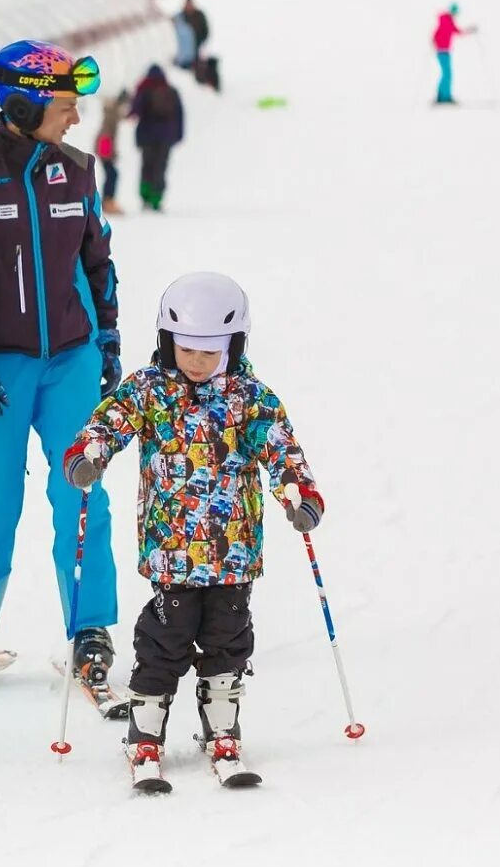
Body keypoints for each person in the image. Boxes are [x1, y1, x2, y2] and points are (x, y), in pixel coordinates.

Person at [0, 39, 123, 692]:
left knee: (81, 497)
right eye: (65, 106)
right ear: (23, 106)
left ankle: (90, 628)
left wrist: (108, 335)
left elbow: (97, 261)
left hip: (71, 361)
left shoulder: (78, 170)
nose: (76, 118)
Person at [63, 272, 324, 782]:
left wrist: (299, 493)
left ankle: (223, 732)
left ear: (235, 344)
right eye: (186, 350)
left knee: (229, 642)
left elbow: (281, 449)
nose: (197, 362)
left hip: (233, 555)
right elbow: (107, 423)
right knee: (164, 641)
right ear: (167, 341)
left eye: (210, 352)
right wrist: (89, 454)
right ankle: (144, 736)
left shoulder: (251, 398)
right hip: (172, 553)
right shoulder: (148, 390)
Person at [130, 65, 185, 212]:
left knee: (147, 166)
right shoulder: (171, 91)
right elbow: (179, 115)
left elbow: (135, 111)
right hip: (166, 137)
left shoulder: (144, 90)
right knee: (160, 167)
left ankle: (145, 197)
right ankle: (156, 199)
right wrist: (179, 134)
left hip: (147, 136)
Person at [95, 87, 131, 216]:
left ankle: (107, 200)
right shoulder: (113, 112)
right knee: (112, 174)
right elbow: (108, 133)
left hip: (104, 143)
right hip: (105, 144)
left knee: (111, 173)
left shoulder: (113, 110)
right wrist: (110, 151)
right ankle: (108, 201)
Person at [432, 3, 475, 105]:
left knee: (446, 73)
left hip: (444, 51)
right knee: (447, 73)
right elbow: (457, 31)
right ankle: (444, 97)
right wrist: (470, 30)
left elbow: (437, 34)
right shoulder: (447, 20)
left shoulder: (446, 20)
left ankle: (442, 96)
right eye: (455, 12)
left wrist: (435, 42)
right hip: (442, 51)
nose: (455, 15)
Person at [179, 0, 209, 66]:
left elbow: (205, 31)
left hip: (197, 46)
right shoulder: (181, 16)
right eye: (187, 4)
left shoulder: (199, 15)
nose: (189, 6)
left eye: (190, 3)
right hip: (183, 50)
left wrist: (200, 42)